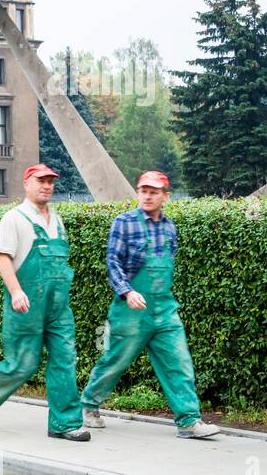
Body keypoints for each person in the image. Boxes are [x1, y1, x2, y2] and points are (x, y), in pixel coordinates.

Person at [81, 172, 219, 439]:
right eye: (143, 190)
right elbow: (113, 263)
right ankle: (89, 405)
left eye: (154, 191)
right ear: (137, 193)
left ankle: (189, 421)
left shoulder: (170, 228)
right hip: (130, 310)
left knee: (179, 362)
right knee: (114, 362)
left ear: (165, 196)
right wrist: (127, 291)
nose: (147, 195)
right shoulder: (124, 223)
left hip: (164, 310)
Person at [0, 164, 90, 441]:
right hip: (25, 304)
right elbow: (3, 258)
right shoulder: (14, 218)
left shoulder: (57, 220)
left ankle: (66, 423)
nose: (47, 186)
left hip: (58, 308)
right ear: (27, 183)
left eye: (50, 181)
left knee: (65, 360)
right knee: (22, 364)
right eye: (41, 181)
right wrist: (15, 291)